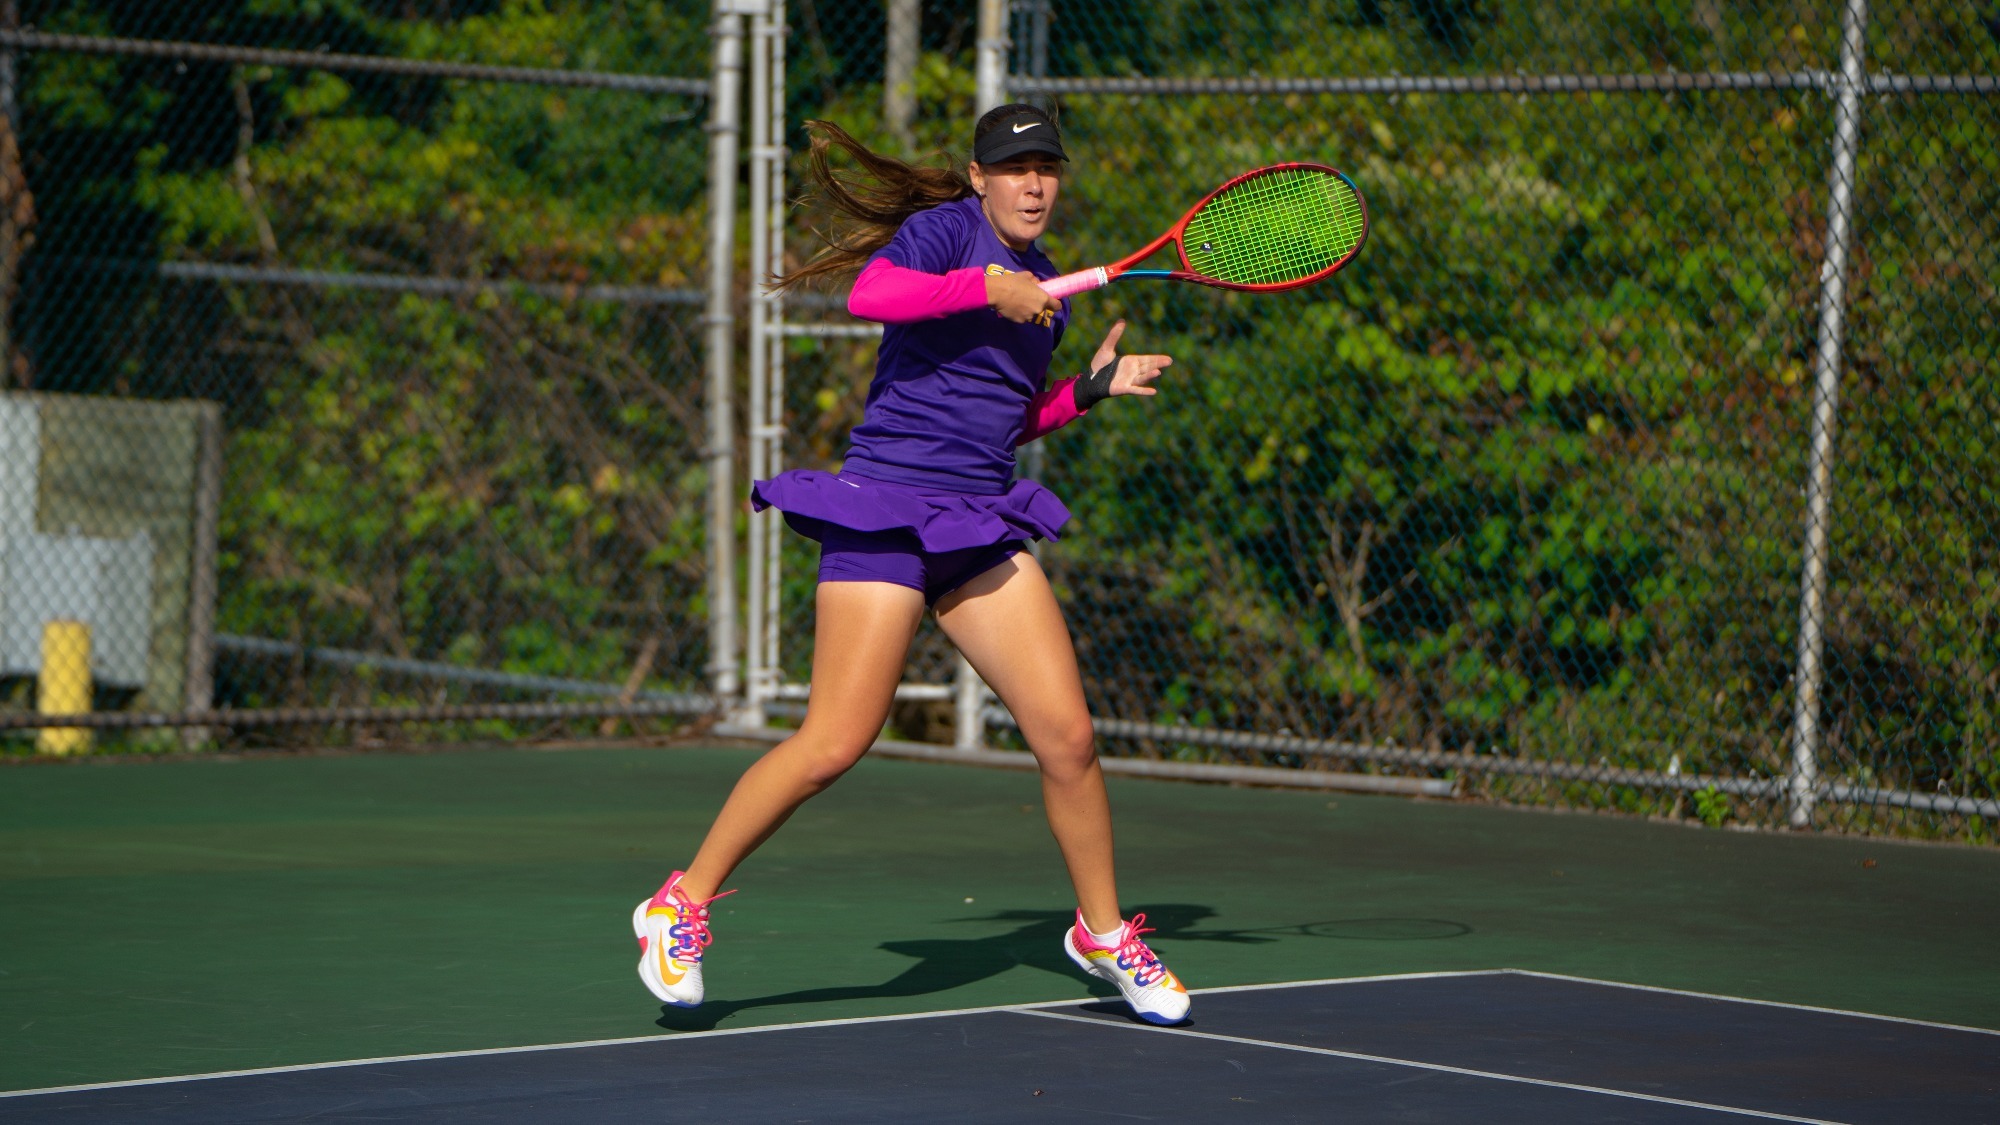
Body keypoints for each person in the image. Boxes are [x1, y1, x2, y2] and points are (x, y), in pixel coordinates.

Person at [631, 104, 1191, 1026]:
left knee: (1070, 739)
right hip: (887, 510)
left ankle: (1099, 931)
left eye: (1048, 166)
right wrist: (987, 287)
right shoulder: (946, 233)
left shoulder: (1046, 289)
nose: (1035, 184)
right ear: (980, 178)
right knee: (835, 742)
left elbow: (1002, 421)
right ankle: (679, 904)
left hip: (976, 523)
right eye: (1015, 169)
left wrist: (1087, 392)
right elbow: (870, 297)